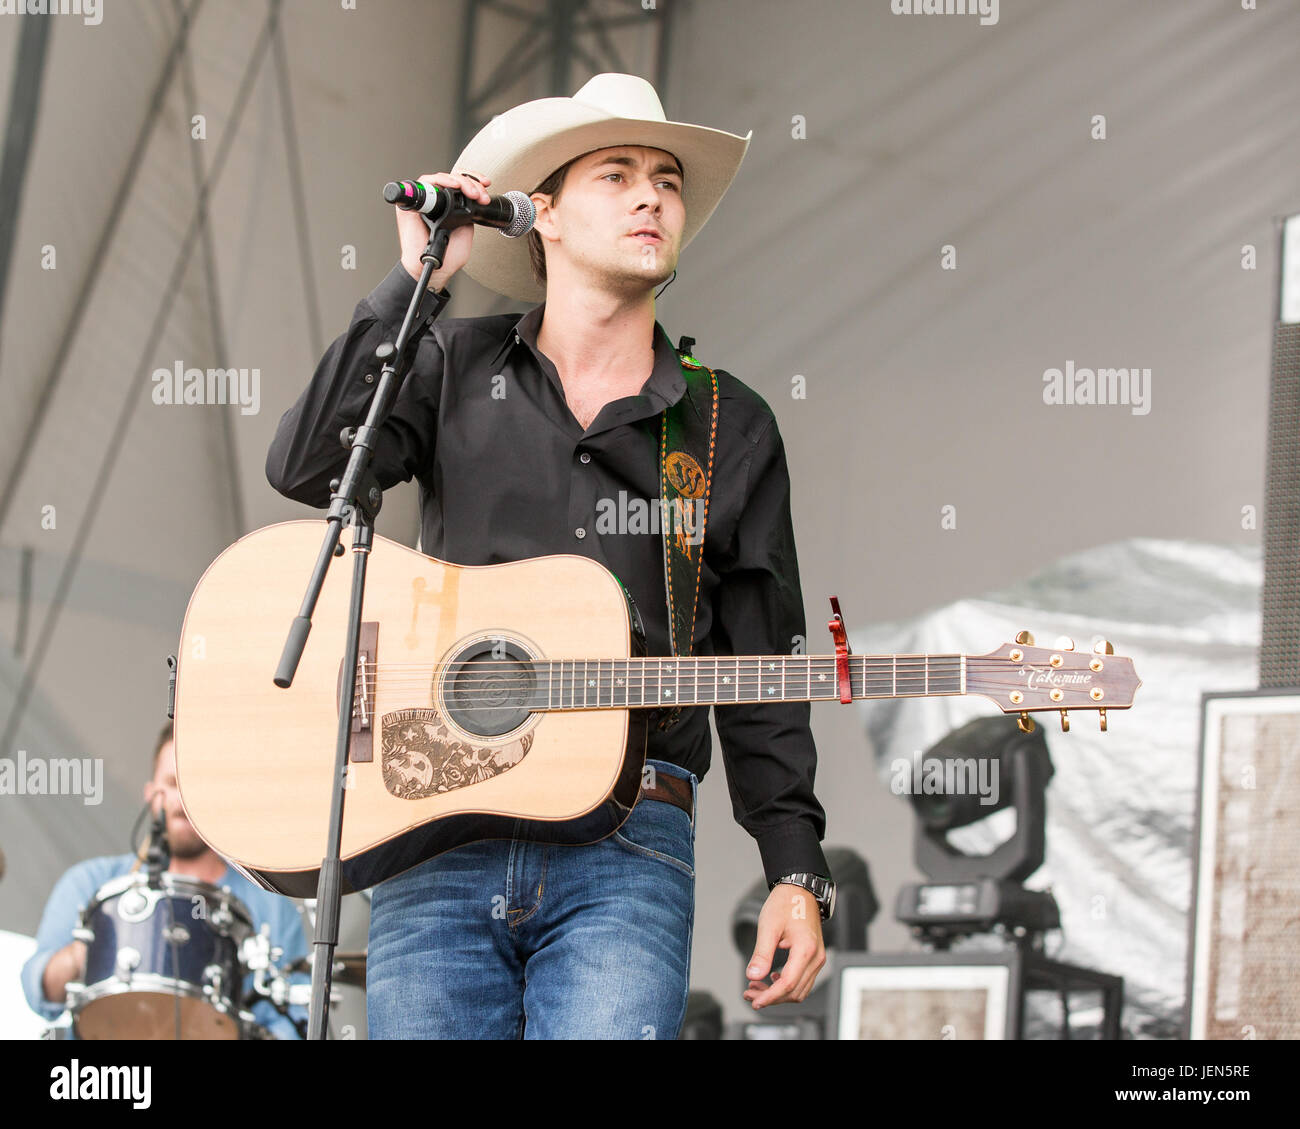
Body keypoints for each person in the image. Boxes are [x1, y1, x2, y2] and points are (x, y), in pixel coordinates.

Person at [266, 72, 834, 1039]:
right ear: (547, 219)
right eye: (616, 174)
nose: (653, 194)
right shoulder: (448, 363)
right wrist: (416, 284)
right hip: (430, 823)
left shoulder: (727, 422)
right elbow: (308, 463)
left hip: (629, 833)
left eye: (667, 179)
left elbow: (762, 661)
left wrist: (794, 867)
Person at [21, 722, 308, 1039]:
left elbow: (295, 1021)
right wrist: (91, 946)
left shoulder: (269, 900)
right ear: (150, 793)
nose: (182, 802)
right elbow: (38, 990)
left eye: (195, 787)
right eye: (173, 783)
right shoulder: (90, 882)